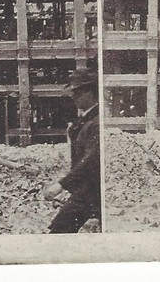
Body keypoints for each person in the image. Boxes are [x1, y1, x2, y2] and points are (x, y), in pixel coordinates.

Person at [43, 67, 101, 233]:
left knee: (59, 230)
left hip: (90, 191)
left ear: (89, 92)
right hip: (85, 189)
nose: (73, 96)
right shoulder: (86, 120)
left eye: (77, 92)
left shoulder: (96, 123)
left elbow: (91, 160)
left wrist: (61, 185)